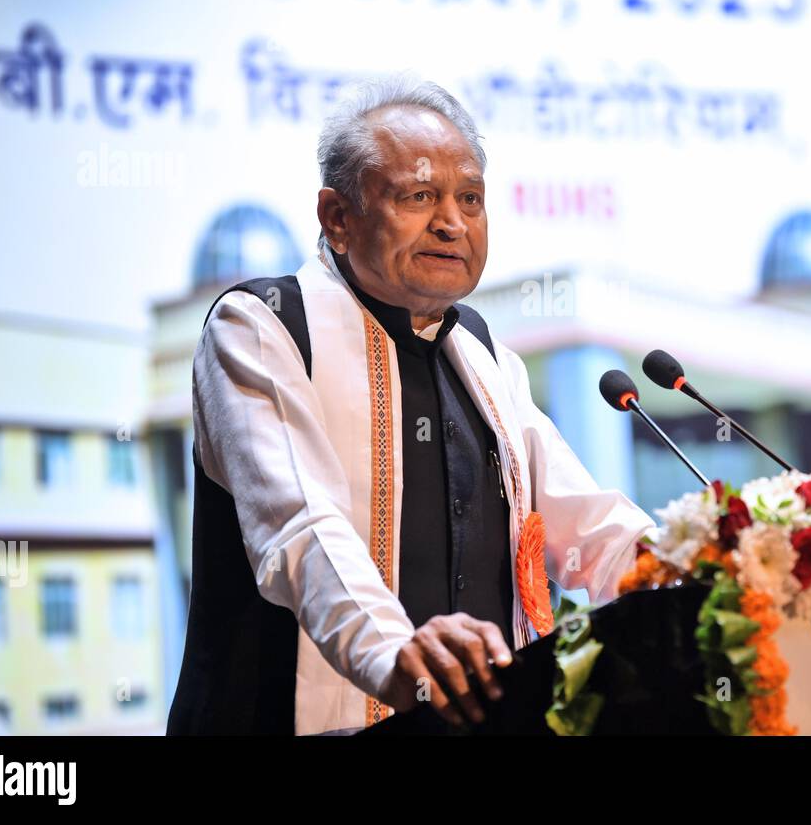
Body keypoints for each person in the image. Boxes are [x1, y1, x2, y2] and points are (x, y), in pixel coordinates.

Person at [167, 77, 653, 735]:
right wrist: (394, 651)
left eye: (471, 199)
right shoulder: (264, 327)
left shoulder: (481, 352)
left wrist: (702, 563)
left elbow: (585, 527)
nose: (453, 222)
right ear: (338, 217)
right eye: (420, 196)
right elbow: (301, 527)